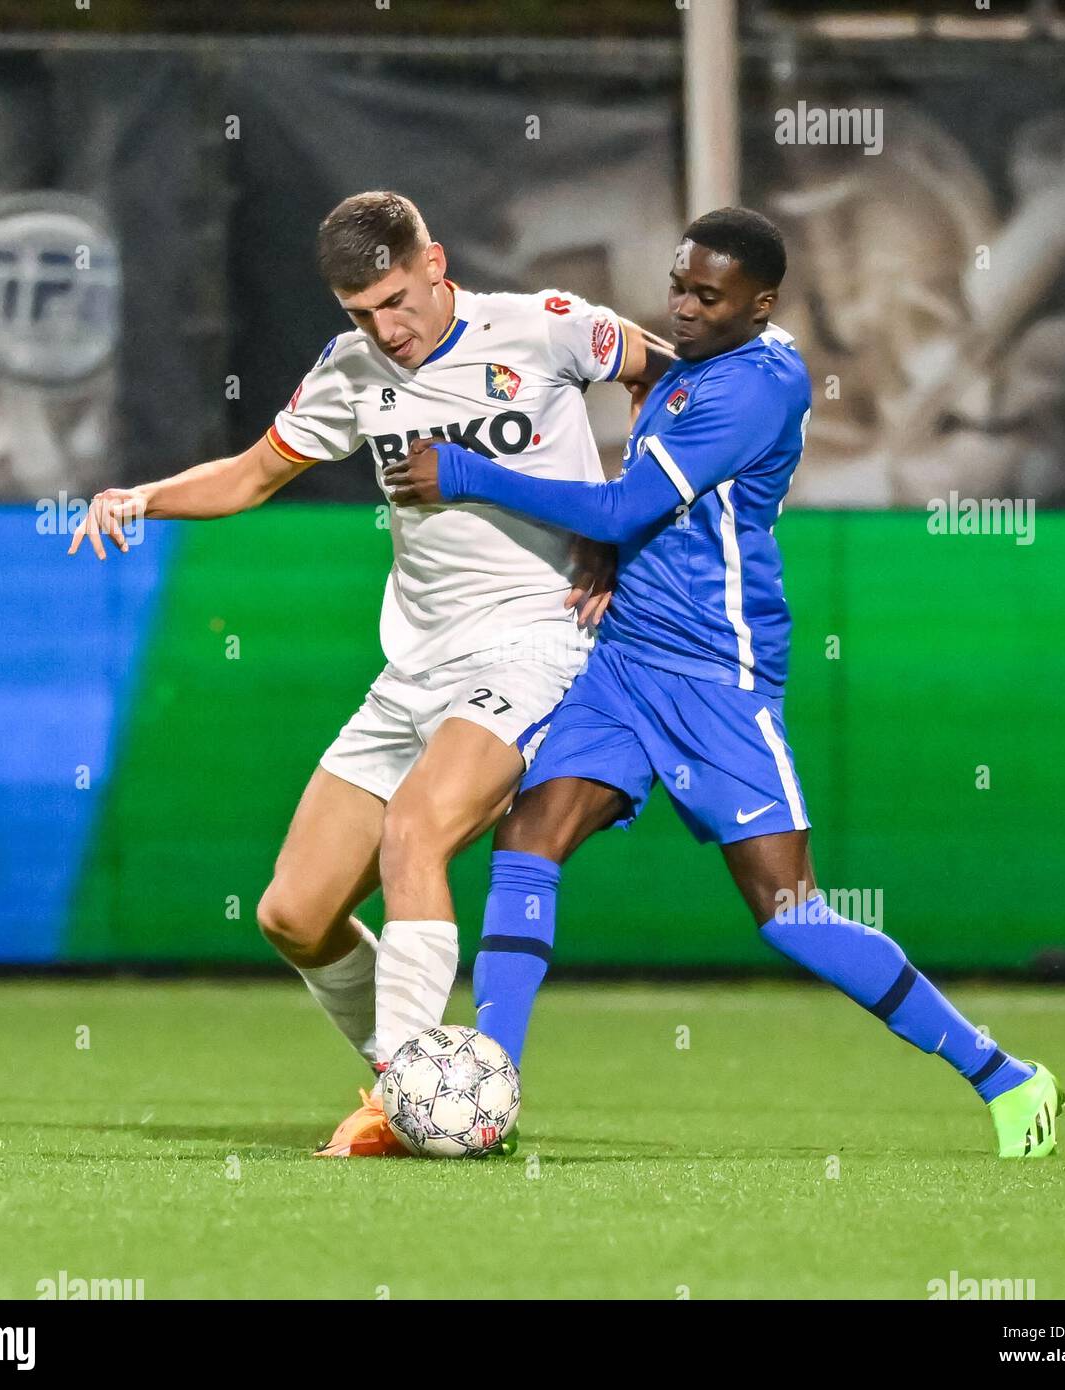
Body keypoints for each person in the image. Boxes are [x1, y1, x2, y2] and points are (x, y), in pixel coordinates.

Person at [385, 206, 1065, 1160]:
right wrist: (614, 557)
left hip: (716, 674)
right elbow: (636, 500)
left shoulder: (756, 387)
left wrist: (467, 470)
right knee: (528, 842)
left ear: (763, 304)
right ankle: (487, 1088)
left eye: (709, 295)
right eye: (679, 286)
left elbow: (628, 504)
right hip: (625, 661)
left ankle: (1004, 1074)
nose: (685, 307)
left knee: (790, 916)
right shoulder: (693, 363)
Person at [68, 190, 670, 1156]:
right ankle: (433, 1081)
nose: (384, 328)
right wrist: (143, 496)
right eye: (360, 312)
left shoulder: (546, 327)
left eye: (395, 300)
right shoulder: (351, 371)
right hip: (415, 666)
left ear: (434, 263)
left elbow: (671, 381)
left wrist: (620, 522)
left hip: (533, 640)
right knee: (295, 915)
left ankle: (403, 1094)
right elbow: (255, 473)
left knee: (415, 832)